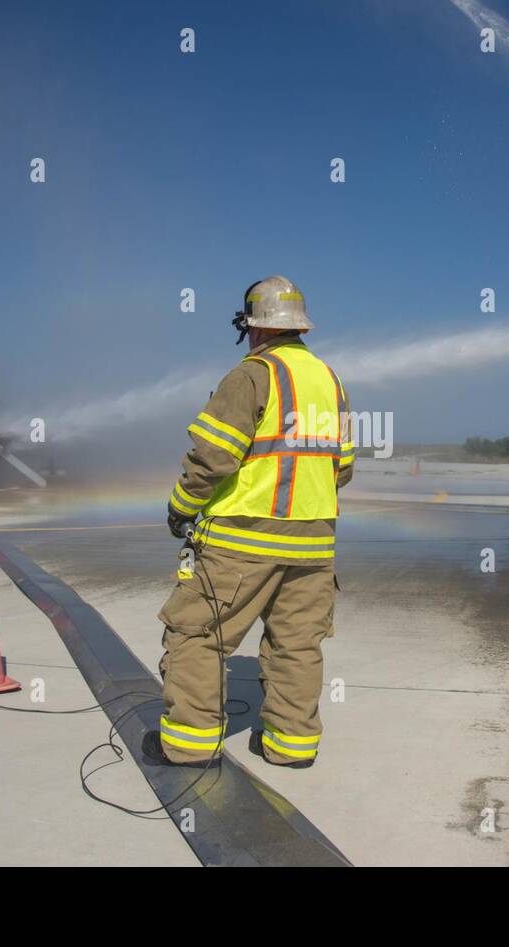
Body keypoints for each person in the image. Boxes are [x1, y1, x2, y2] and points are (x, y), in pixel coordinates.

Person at [142, 276, 354, 769]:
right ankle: (290, 746)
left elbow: (213, 458)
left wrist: (181, 505)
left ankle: (188, 746)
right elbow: (342, 468)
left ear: (252, 326)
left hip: (244, 540)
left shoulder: (252, 376)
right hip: (315, 544)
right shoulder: (330, 380)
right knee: (296, 643)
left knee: (195, 632)